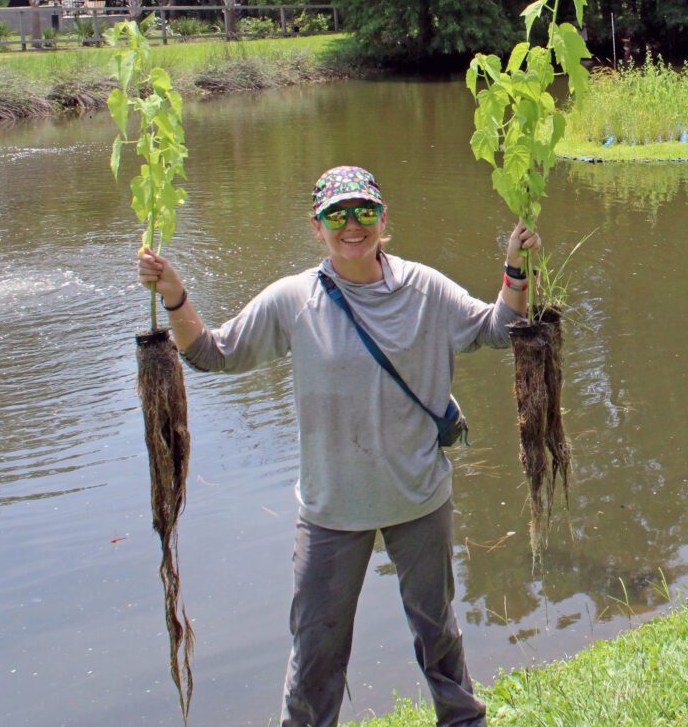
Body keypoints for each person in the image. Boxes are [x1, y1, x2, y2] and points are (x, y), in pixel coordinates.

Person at [137, 165, 538, 727]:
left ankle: (463, 720)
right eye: (337, 215)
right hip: (331, 511)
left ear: (384, 219)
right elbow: (211, 353)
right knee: (315, 652)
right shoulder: (293, 299)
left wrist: (515, 271)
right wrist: (176, 298)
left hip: (419, 498)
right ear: (317, 226)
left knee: (438, 631)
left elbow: (497, 329)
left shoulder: (425, 289)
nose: (353, 225)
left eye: (365, 212)